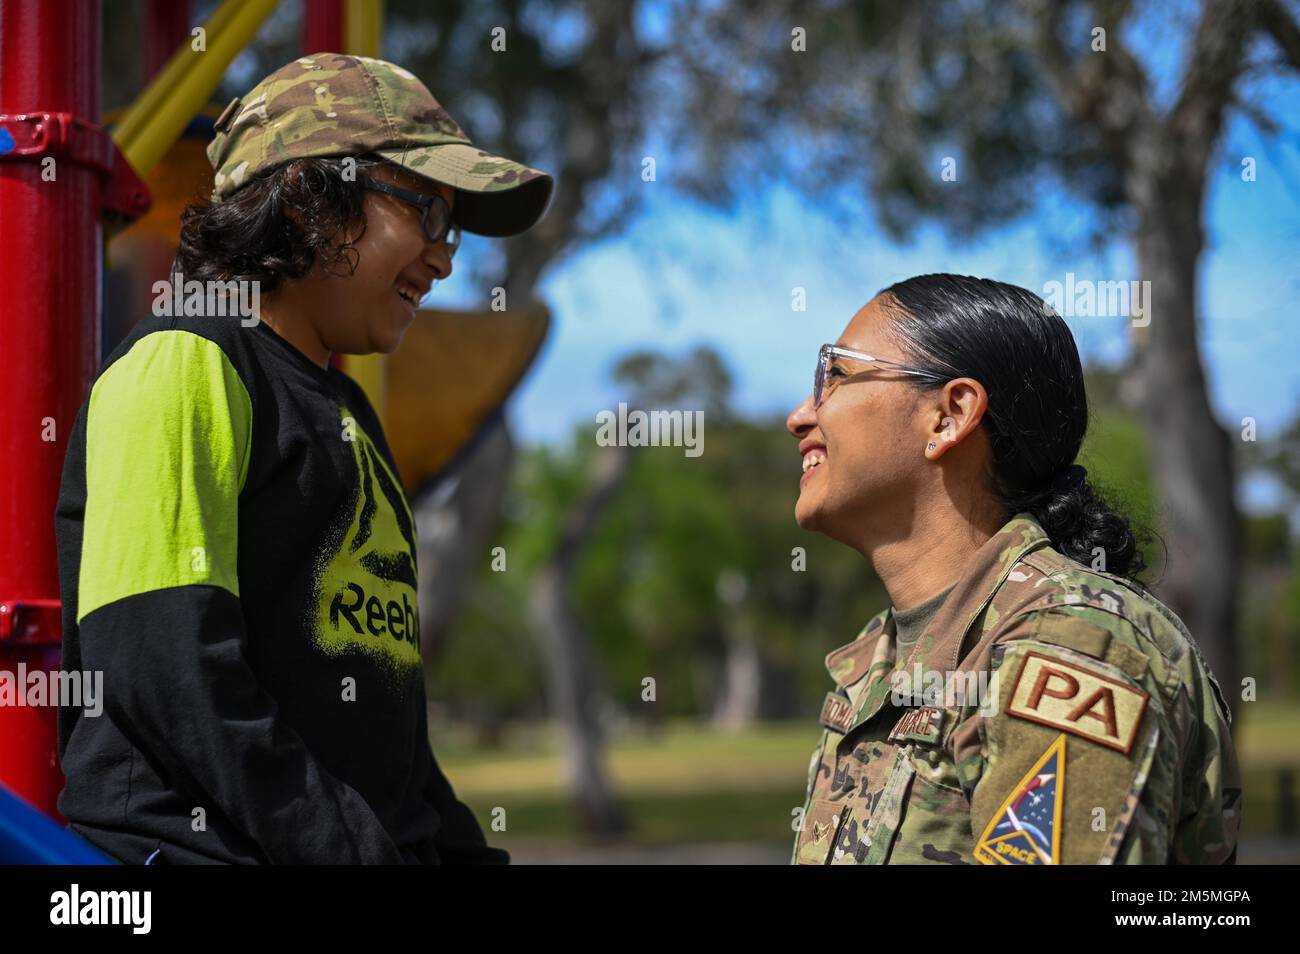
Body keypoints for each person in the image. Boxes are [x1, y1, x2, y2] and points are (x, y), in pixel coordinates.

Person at [54, 52, 553, 864]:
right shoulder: (183, 365)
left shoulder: (349, 410)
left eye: (453, 227)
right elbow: (173, 676)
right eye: (427, 212)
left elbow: (395, 743)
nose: (446, 257)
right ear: (311, 196)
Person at [786, 274, 1241, 865]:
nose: (801, 415)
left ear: (949, 416)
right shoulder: (880, 658)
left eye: (836, 374)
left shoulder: (1072, 646)